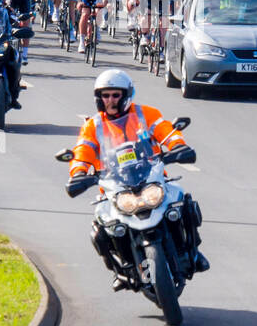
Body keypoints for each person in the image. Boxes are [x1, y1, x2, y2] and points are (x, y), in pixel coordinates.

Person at [66, 70, 206, 284]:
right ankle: (121, 269)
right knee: (101, 227)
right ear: (99, 98)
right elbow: (83, 152)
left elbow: (166, 131)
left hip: (151, 178)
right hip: (115, 188)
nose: (111, 100)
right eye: (106, 95)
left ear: (126, 95)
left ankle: (193, 253)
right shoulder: (92, 126)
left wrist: (178, 146)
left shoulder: (145, 114)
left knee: (181, 203)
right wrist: (78, 174)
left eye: (115, 95)